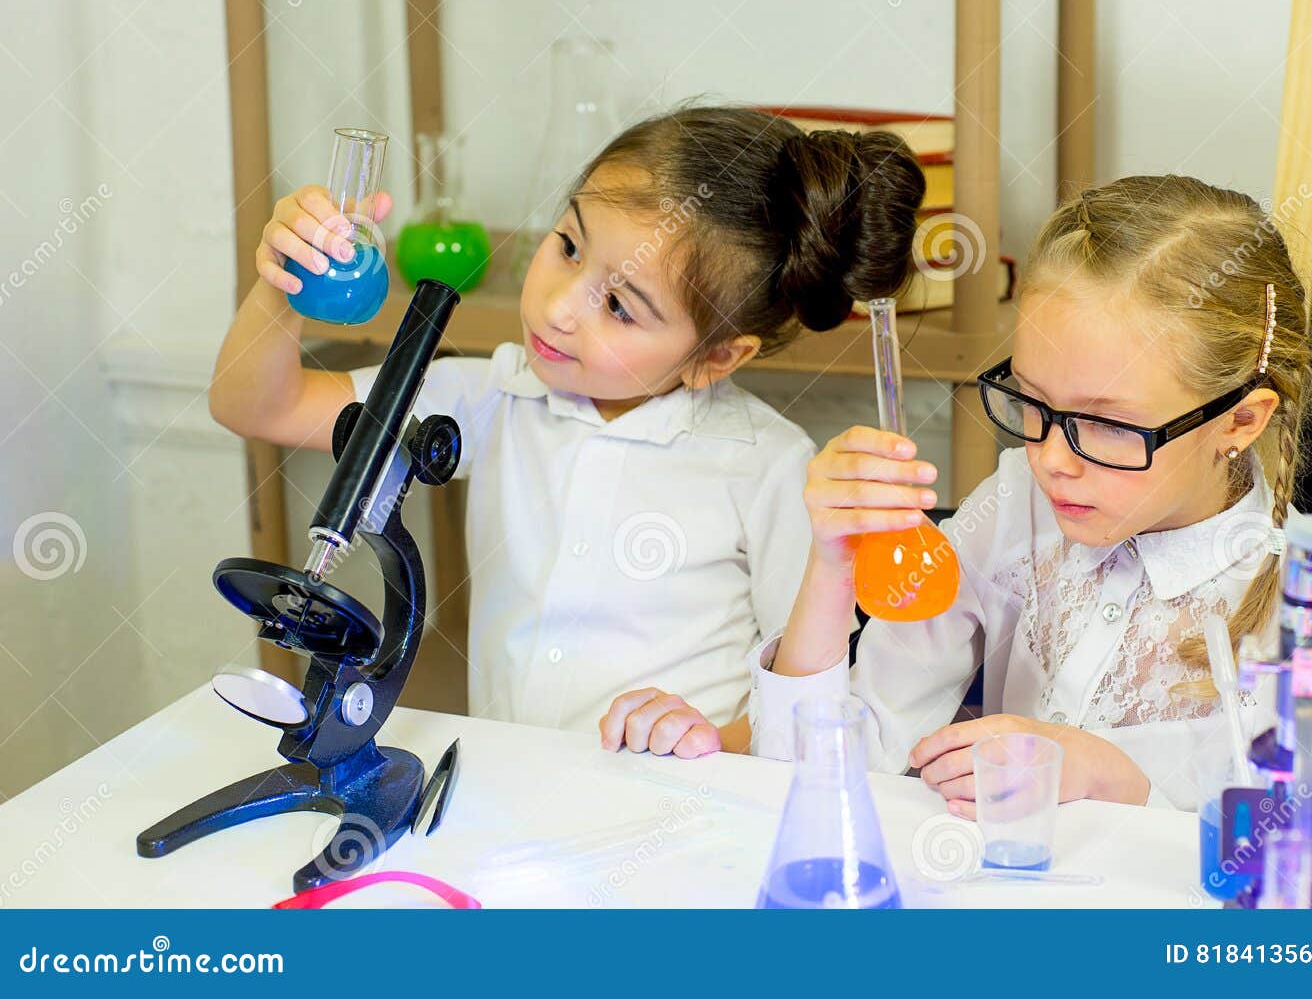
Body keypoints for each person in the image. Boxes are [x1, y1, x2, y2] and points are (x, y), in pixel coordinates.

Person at [601, 174, 1312, 812]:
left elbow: (1275, 867)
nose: (1049, 457)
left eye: (1108, 425)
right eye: (1032, 404)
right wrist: (833, 561)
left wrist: (1110, 776)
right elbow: (833, 758)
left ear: (1240, 420)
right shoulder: (1018, 506)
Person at [209, 105, 925, 744]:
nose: (558, 308)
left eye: (619, 306)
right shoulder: (493, 393)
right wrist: (285, 281)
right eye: (568, 246)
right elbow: (257, 406)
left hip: (680, 821)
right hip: (516, 810)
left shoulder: (768, 465)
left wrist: (712, 741)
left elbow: (811, 710)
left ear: (714, 357)